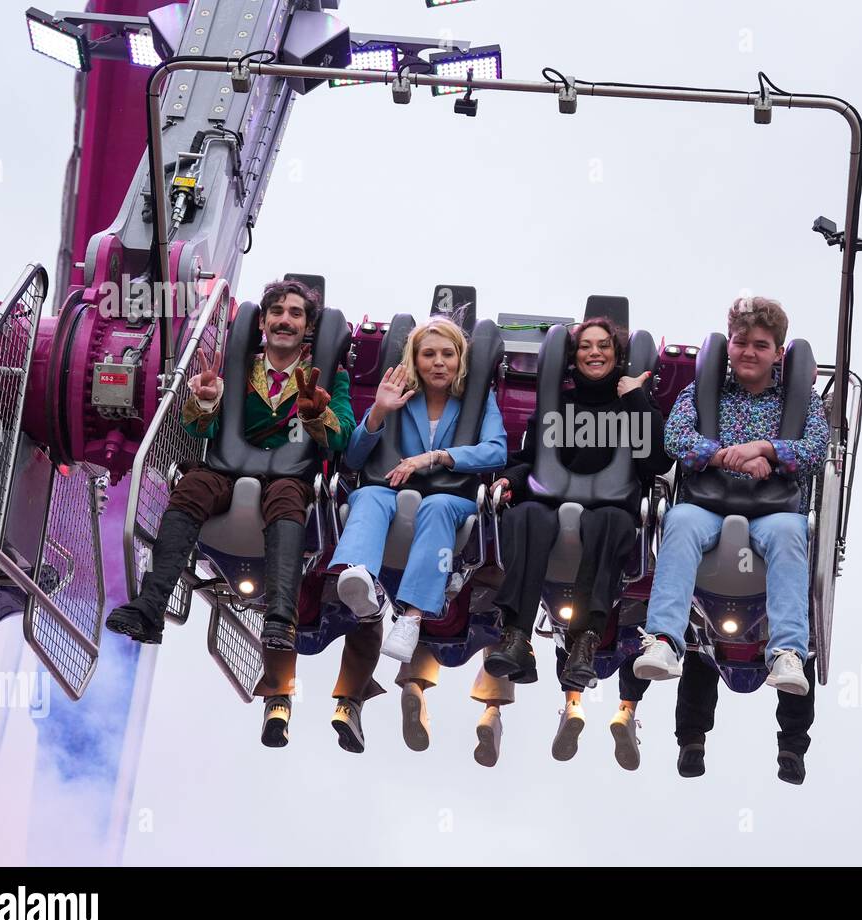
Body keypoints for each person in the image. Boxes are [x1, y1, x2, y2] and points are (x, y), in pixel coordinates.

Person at [105, 279, 361, 749]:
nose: (285, 320)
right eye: (277, 312)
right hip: (228, 468)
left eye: (296, 314)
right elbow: (202, 428)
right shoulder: (239, 367)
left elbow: (341, 435)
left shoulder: (327, 376)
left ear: (308, 327)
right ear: (262, 322)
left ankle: (280, 618)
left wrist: (317, 414)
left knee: (288, 497)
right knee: (192, 488)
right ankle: (151, 606)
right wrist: (203, 401)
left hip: (288, 477)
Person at [632, 296, 828, 784]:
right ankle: (663, 640)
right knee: (676, 520)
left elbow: (814, 447)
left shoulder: (799, 399)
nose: (748, 352)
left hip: (771, 510)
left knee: (790, 533)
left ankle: (786, 650)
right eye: (741, 342)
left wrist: (766, 449)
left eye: (760, 345)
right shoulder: (705, 390)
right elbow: (676, 436)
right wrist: (726, 457)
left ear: (778, 352)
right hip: (709, 505)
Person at [485, 317, 670, 769]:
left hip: (609, 509)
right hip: (553, 503)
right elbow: (528, 460)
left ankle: (586, 639)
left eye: (603, 346)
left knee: (610, 520)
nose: (594, 353)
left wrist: (638, 401)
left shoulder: (631, 404)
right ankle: (515, 636)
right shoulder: (558, 405)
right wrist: (509, 482)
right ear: (573, 356)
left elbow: (655, 466)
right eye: (585, 346)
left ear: (616, 353)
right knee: (526, 514)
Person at [330, 317, 510, 764]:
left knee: (435, 507)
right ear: (414, 359)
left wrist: (437, 456)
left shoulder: (475, 401)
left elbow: (498, 449)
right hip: (391, 491)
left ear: (460, 359)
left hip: (450, 499)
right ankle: (361, 581)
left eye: (447, 354)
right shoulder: (397, 395)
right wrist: (377, 413)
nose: (438, 362)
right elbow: (353, 457)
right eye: (428, 354)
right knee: (368, 495)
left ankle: (410, 617)